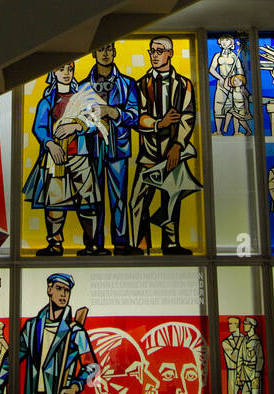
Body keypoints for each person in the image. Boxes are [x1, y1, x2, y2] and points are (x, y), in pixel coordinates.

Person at [23, 62, 104, 256]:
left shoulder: (82, 98)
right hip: (56, 159)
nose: (66, 73)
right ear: (53, 72)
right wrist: (50, 144)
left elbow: (95, 122)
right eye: (61, 69)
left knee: (87, 202)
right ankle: (55, 244)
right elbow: (39, 127)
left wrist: (78, 126)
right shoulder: (48, 100)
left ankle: (92, 244)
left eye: (69, 69)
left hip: (80, 156)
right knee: (55, 205)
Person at [130, 36, 200, 254]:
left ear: (170, 53)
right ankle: (138, 245)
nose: (154, 55)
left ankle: (170, 244)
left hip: (173, 151)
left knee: (172, 198)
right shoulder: (141, 84)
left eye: (159, 50)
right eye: (152, 50)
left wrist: (178, 145)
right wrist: (160, 123)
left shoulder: (184, 84)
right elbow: (137, 117)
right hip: (149, 152)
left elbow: (189, 117)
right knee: (137, 200)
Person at [79, 41, 139, 254]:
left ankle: (121, 244)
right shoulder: (83, 86)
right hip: (92, 147)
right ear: (93, 53)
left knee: (119, 198)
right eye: (101, 49)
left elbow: (135, 116)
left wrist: (113, 112)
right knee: (93, 198)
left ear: (114, 51)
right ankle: (95, 243)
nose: (105, 53)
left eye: (108, 49)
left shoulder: (127, 84)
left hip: (118, 148)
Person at [235, 317, 265, 394]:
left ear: (251, 326)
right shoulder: (244, 341)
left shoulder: (256, 342)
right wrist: (238, 375)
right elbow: (240, 359)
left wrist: (257, 375)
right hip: (245, 375)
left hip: (253, 375)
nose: (244, 326)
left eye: (246, 324)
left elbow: (260, 359)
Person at [222, 318, 242, 394]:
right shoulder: (226, 342)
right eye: (229, 323)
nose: (229, 326)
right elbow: (234, 357)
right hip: (231, 371)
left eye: (231, 324)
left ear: (237, 325)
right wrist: (239, 345)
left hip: (244, 370)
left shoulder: (244, 339)